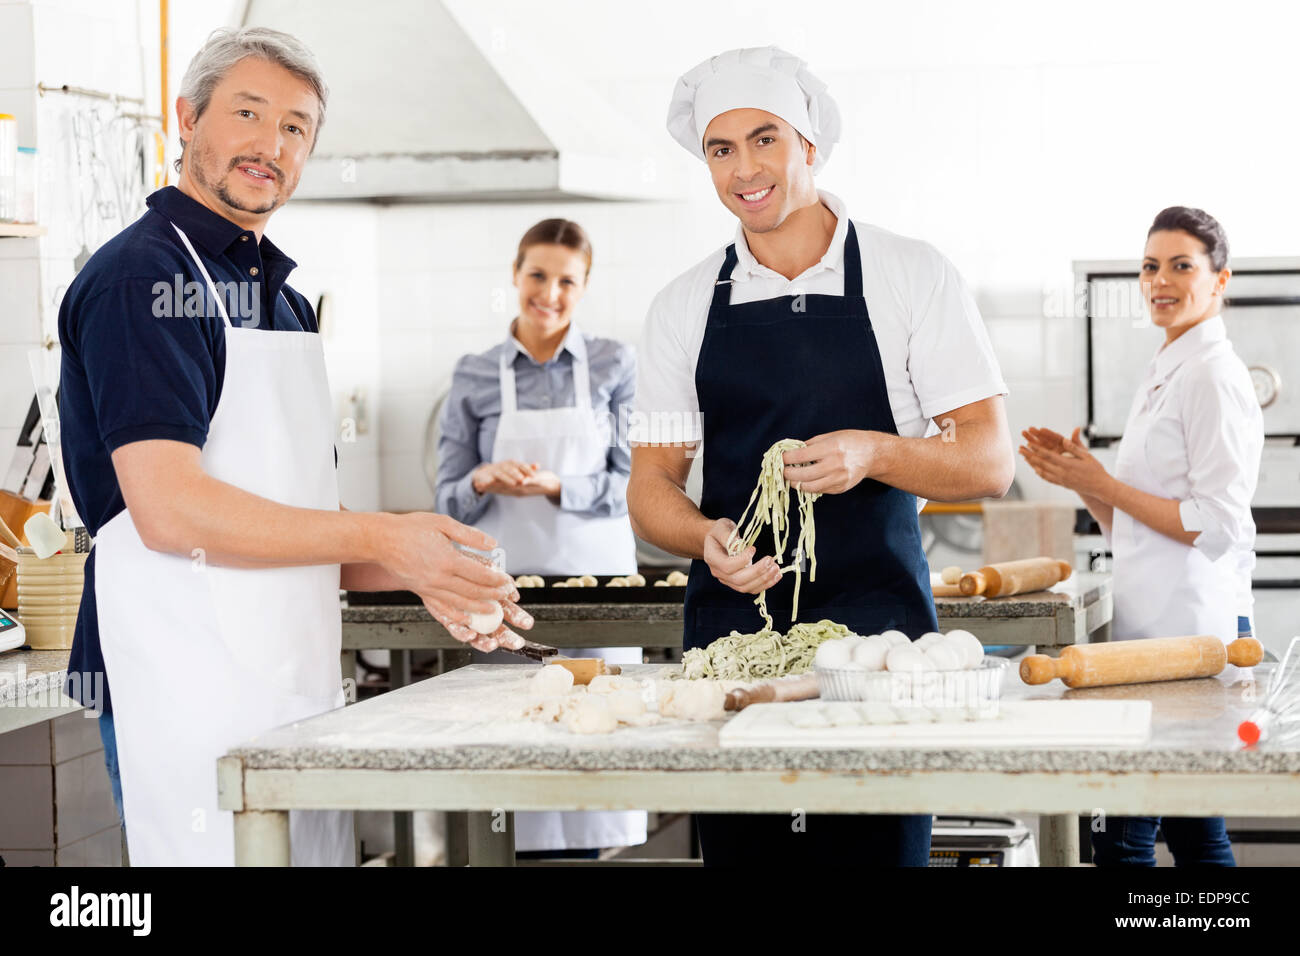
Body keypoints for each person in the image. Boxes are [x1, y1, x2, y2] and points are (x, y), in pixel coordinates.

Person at [58, 27, 529, 867]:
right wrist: (387, 536)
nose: (270, 145)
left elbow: (303, 523)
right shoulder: (144, 280)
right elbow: (169, 511)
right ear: (188, 118)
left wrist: (434, 566)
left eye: (296, 127)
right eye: (248, 113)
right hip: (180, 683)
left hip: (290, 683)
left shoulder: (278, 295)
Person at [628, 46, 1014, 866]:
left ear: (810, 145)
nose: (744, 169)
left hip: (881, 649)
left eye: (765, 139)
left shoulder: (911, 274)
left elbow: (988, 461)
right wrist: (703, 539)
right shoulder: (684, 304)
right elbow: (652, 485)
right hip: (737, 639)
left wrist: (873, 453)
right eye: (720, 150)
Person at [1020, 206, 1260, 867]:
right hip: (1155, 631)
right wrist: (1082, 481)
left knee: (1125, 838)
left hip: (1191, 632)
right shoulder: (1167, 369)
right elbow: (1135, 527)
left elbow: (1214, 521)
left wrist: (1104, 481)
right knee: (1191, 830)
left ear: (1220, 280)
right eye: (1150, 266)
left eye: (1182, 265)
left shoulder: (1212, 375)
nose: (1161, 279)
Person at [436, 218, 645, 857]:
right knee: (515, 747)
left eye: (566, 281)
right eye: (537, 275)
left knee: (596, 738)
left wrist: (560, 486)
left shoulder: (616, 363)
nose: (548, 292)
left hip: (602, 592)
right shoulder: (473, 374)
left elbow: (636, 482)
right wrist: (483, 477)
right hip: (503, 599)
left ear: (583, 287)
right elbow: (445, 497)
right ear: (515, 274)